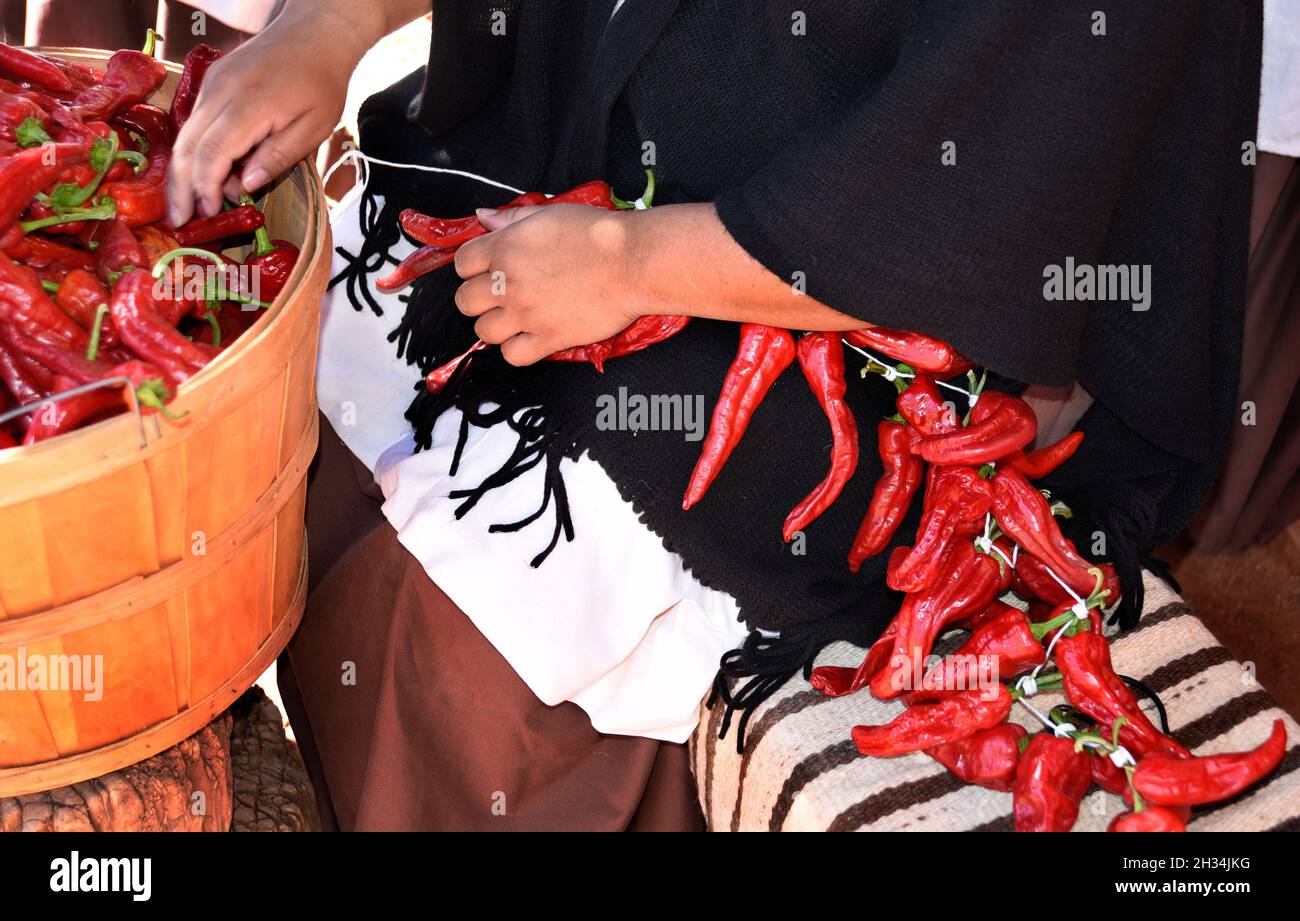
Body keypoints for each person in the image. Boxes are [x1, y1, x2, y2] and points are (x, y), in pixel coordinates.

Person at [166, 0, 1263, 831]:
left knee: (455, 628)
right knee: (312, 405)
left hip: (877, 305)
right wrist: (326, 28)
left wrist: (630, 262)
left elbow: (990, 185)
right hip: (584, 162)